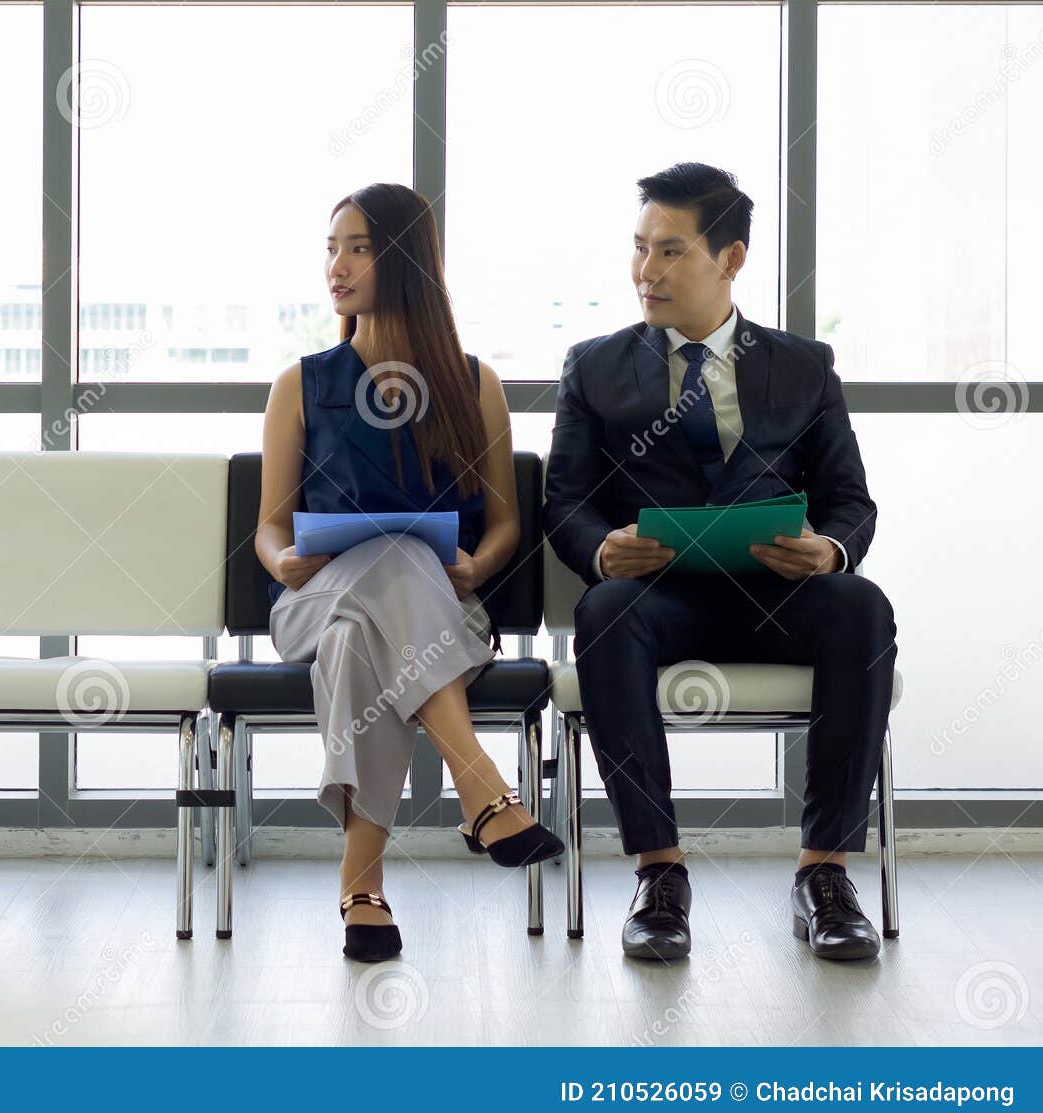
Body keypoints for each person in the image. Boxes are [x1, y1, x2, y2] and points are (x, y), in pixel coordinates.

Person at [545, 162, 897, 963]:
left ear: (731, 258)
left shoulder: (804, 365)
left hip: (777, 595)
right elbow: (563, 502)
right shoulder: (593, 367)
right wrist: (602, 548)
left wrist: (829, 548)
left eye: (670, 252)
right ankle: (659, 873)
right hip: (660, 601)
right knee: (602, 612)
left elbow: (852, 501)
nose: (646, 272)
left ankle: (825, 873)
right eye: (639, 249)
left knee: (861, 604)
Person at [256, 183, 563, 964]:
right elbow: (268, 527)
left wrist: (475, 565)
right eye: (331, 248)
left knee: (365, 636)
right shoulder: (300, 384)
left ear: (405, 261)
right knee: (379, 579)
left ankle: (363, 888)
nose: (337, 265)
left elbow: (503, 528)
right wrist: (280, 559)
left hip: (436, 609)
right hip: (312, 599)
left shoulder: (473, 383)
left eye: (357, 246)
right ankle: (480, 787)